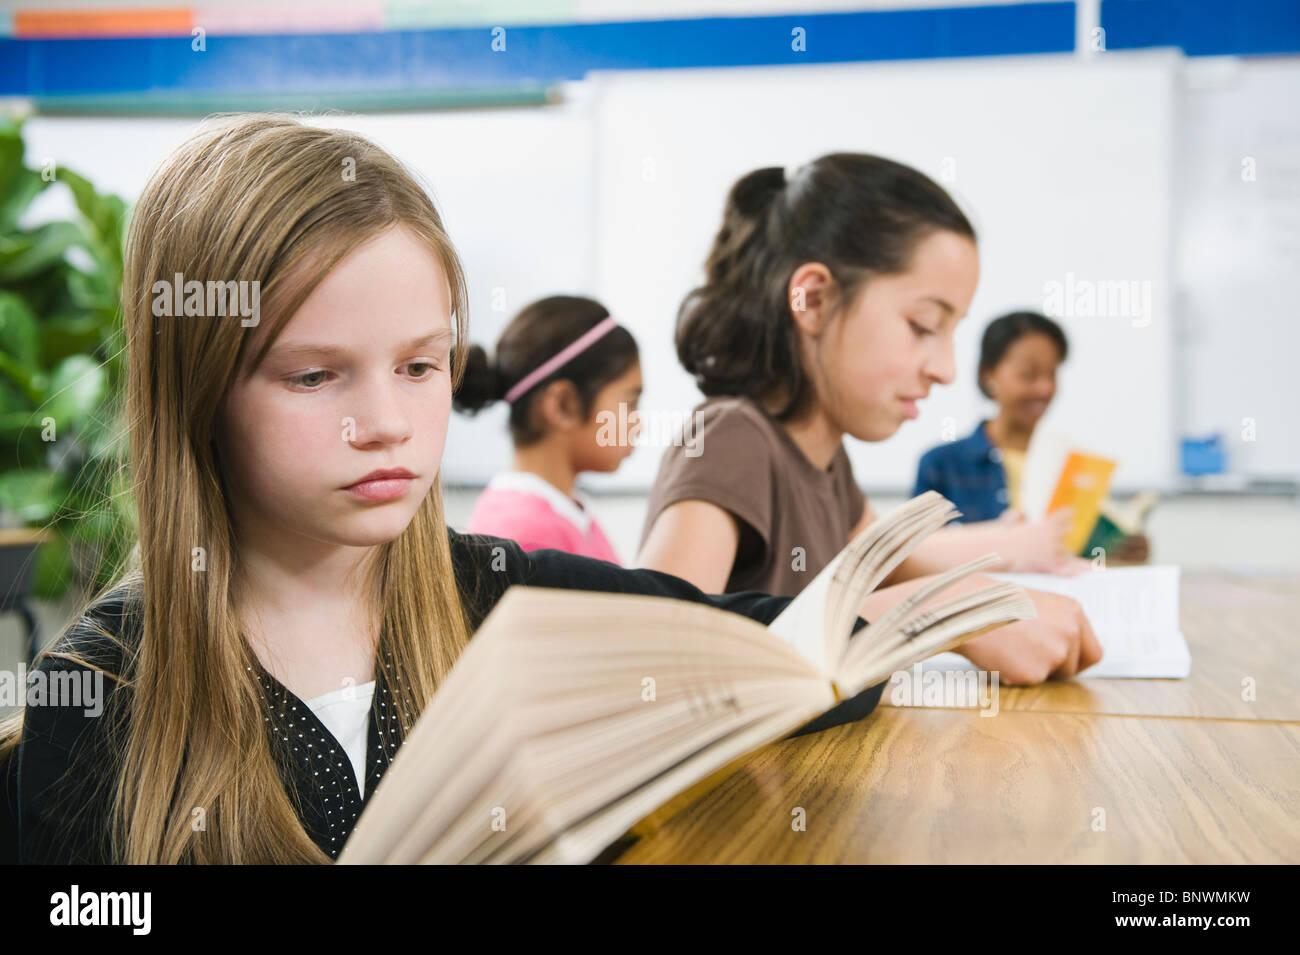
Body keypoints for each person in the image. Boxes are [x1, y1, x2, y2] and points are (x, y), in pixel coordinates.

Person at [0, 116, 880, 865]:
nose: (387, 421)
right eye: (313, 376)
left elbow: (805, 647)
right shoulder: (99, 683)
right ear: (197, 390)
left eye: (421, 365)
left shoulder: (501, 593)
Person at [637, 155, 1102, 686]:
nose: (947, 370)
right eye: (923, 325)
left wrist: (1002, 561)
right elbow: (655, 661)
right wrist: (948, 610)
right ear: (812, 300)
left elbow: (897, 558)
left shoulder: (825, 459)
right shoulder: (731, 439)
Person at [914, 310, 1149, 561]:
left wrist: (1115, 553)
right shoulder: (941, 464)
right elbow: (917, 559)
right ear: (988, 374)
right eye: (1028, 374)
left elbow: (1077, 556)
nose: (1044, 388)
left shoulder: (1075, 464)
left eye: (1052, 373)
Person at [454, 295, 637, 563]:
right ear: (563, 405)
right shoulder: (524, 535)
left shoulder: (569, 512)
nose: (639, 425)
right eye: (630, 403)